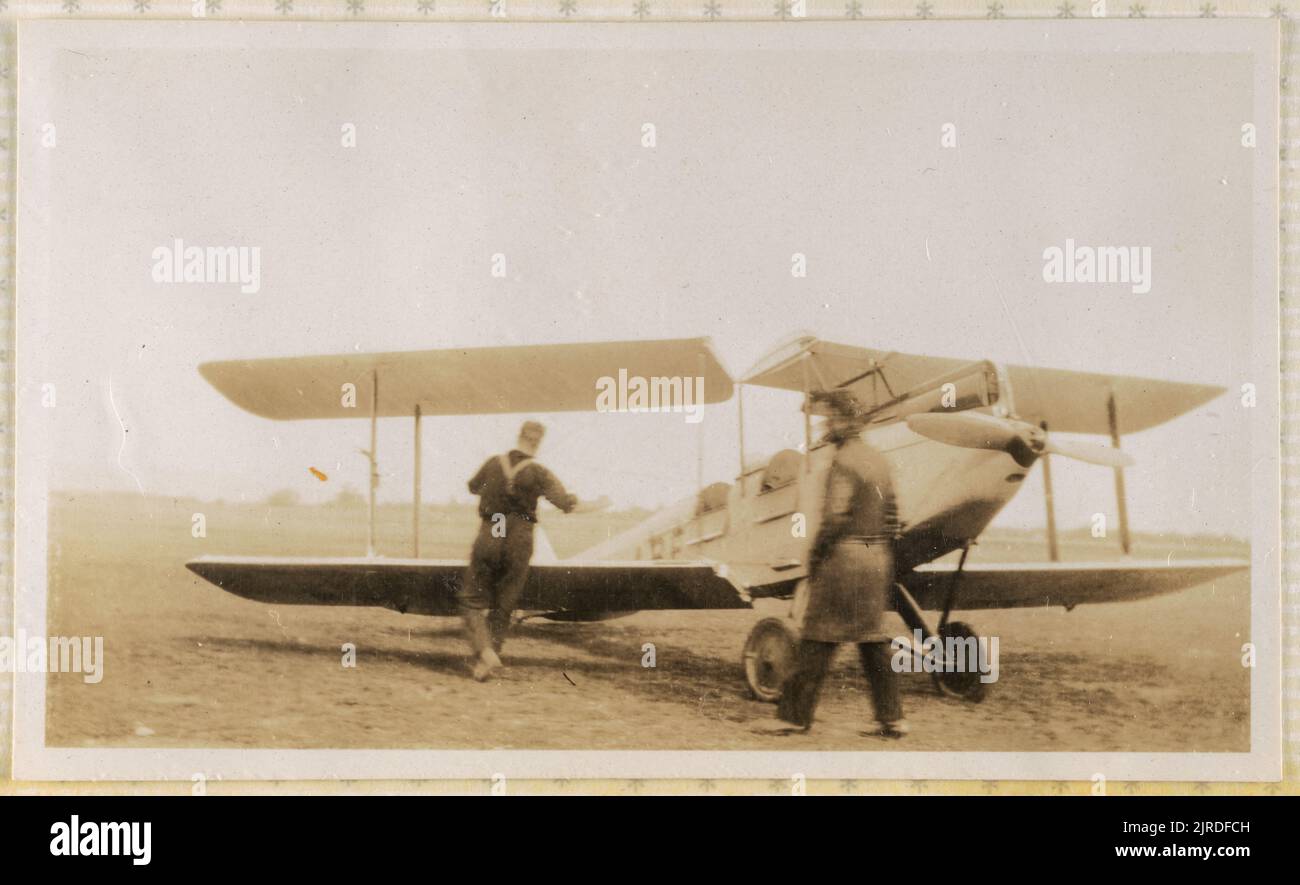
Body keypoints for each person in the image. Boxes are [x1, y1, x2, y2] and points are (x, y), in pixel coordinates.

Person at [767, 389, 907, 738]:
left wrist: (815, 558)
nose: (825, 424)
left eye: (831, 417)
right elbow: (892, 515)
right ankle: (893, 720)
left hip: (844, 561)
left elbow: (834, 517)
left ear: (848, 420)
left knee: (816, 639)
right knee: (873, 642)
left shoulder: (843, 461)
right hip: (877, 560)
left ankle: (793, 718)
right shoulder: (879, 460)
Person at [459, 420, 592, 682]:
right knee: (505, 602)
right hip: (519, 539)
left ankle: (484, 651)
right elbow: (565, 502)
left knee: (471, 599)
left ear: (518, 436)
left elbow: (472, 486)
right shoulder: (539, 472)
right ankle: (491, 653)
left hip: (490, 534)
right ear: (538, 442)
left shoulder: (493, 463)